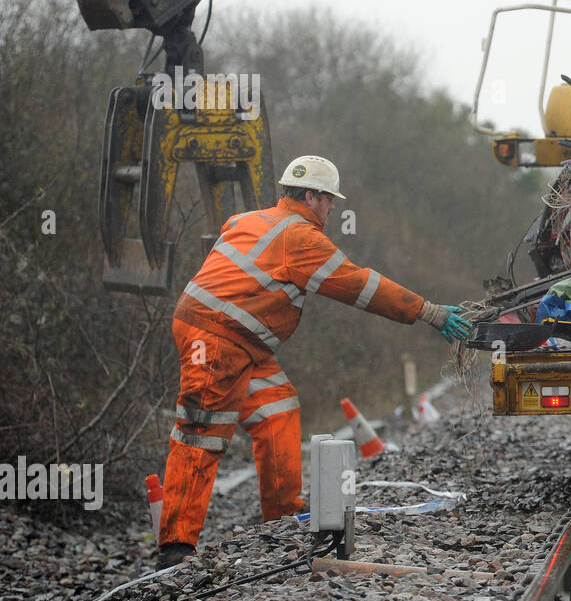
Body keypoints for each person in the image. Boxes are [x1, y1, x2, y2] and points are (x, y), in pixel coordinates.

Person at [157, 155, 470, 568]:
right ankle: (176, 549)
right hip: (216, 339)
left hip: (238, 341)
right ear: (311, 196)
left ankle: (283, 518)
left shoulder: (248, 220)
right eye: (329, 201)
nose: (332, 209)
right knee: (201, 433)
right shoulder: (300, 238)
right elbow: (361, 285)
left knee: (278, 409)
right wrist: (428, 312)